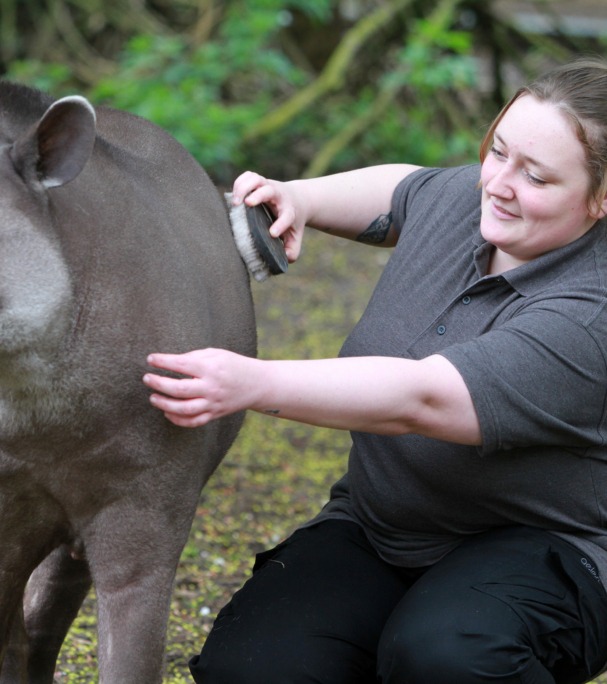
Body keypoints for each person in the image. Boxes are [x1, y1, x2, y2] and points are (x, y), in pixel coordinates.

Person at [142, 58, 607, 684]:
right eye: (497, 151)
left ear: (601, 198)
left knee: (446, 655)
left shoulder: (591, 314)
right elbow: (406, 188)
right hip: (384, 525)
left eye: (537, 177)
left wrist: (252, 381)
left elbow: (423, 398)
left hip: (548, 546)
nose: (497, 182)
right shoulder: (468, 201)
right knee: (254, 669)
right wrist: (302, 196)